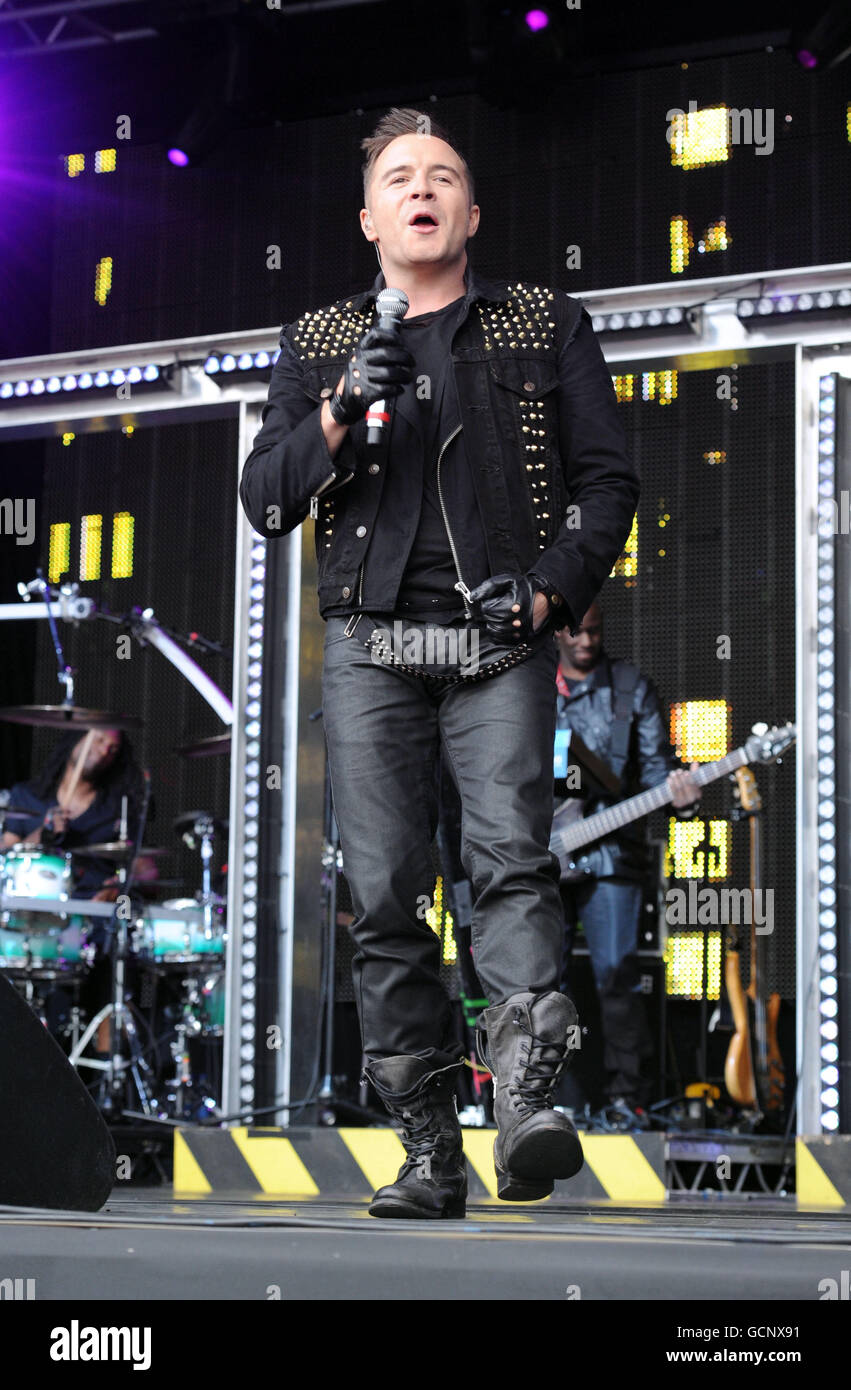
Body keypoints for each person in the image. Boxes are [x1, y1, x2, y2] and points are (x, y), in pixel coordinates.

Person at [239, 107, 640, 1217]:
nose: (422, 190)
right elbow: (265, 498)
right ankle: (426, 1148)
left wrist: (552, 589)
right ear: (369, 218)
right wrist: (335, 414)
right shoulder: (320, 342)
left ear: (470, 212)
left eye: (444, 176)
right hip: (369, 649)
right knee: (380, 898)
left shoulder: (539, 322)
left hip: (496, 642)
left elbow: (607, 482)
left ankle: (522, 1109)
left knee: (509, 860)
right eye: (400, 178)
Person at [553, 601, 701, 1126]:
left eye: (595, 632)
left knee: (616, 978)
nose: (587, 642)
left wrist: (683, 796)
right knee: (541, 985)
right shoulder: (527, 688)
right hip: (539, 855)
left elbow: (661, 771)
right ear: (556, 632)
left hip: (611, 852)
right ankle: (541, 1101)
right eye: (576, 632)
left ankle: (624, 1099)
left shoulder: (630, 688)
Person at [1, 726, 152, 1050]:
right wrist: (43, 833)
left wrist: (117, 886)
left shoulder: (116, 809)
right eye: (98, 740)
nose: (104, 750)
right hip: (26, 918)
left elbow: (145, 868)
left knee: (120, 948)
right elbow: (6, 855)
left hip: (90, 925)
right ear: (76, 742)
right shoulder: (28, 798)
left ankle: (104, 1061)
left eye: (112, 748)